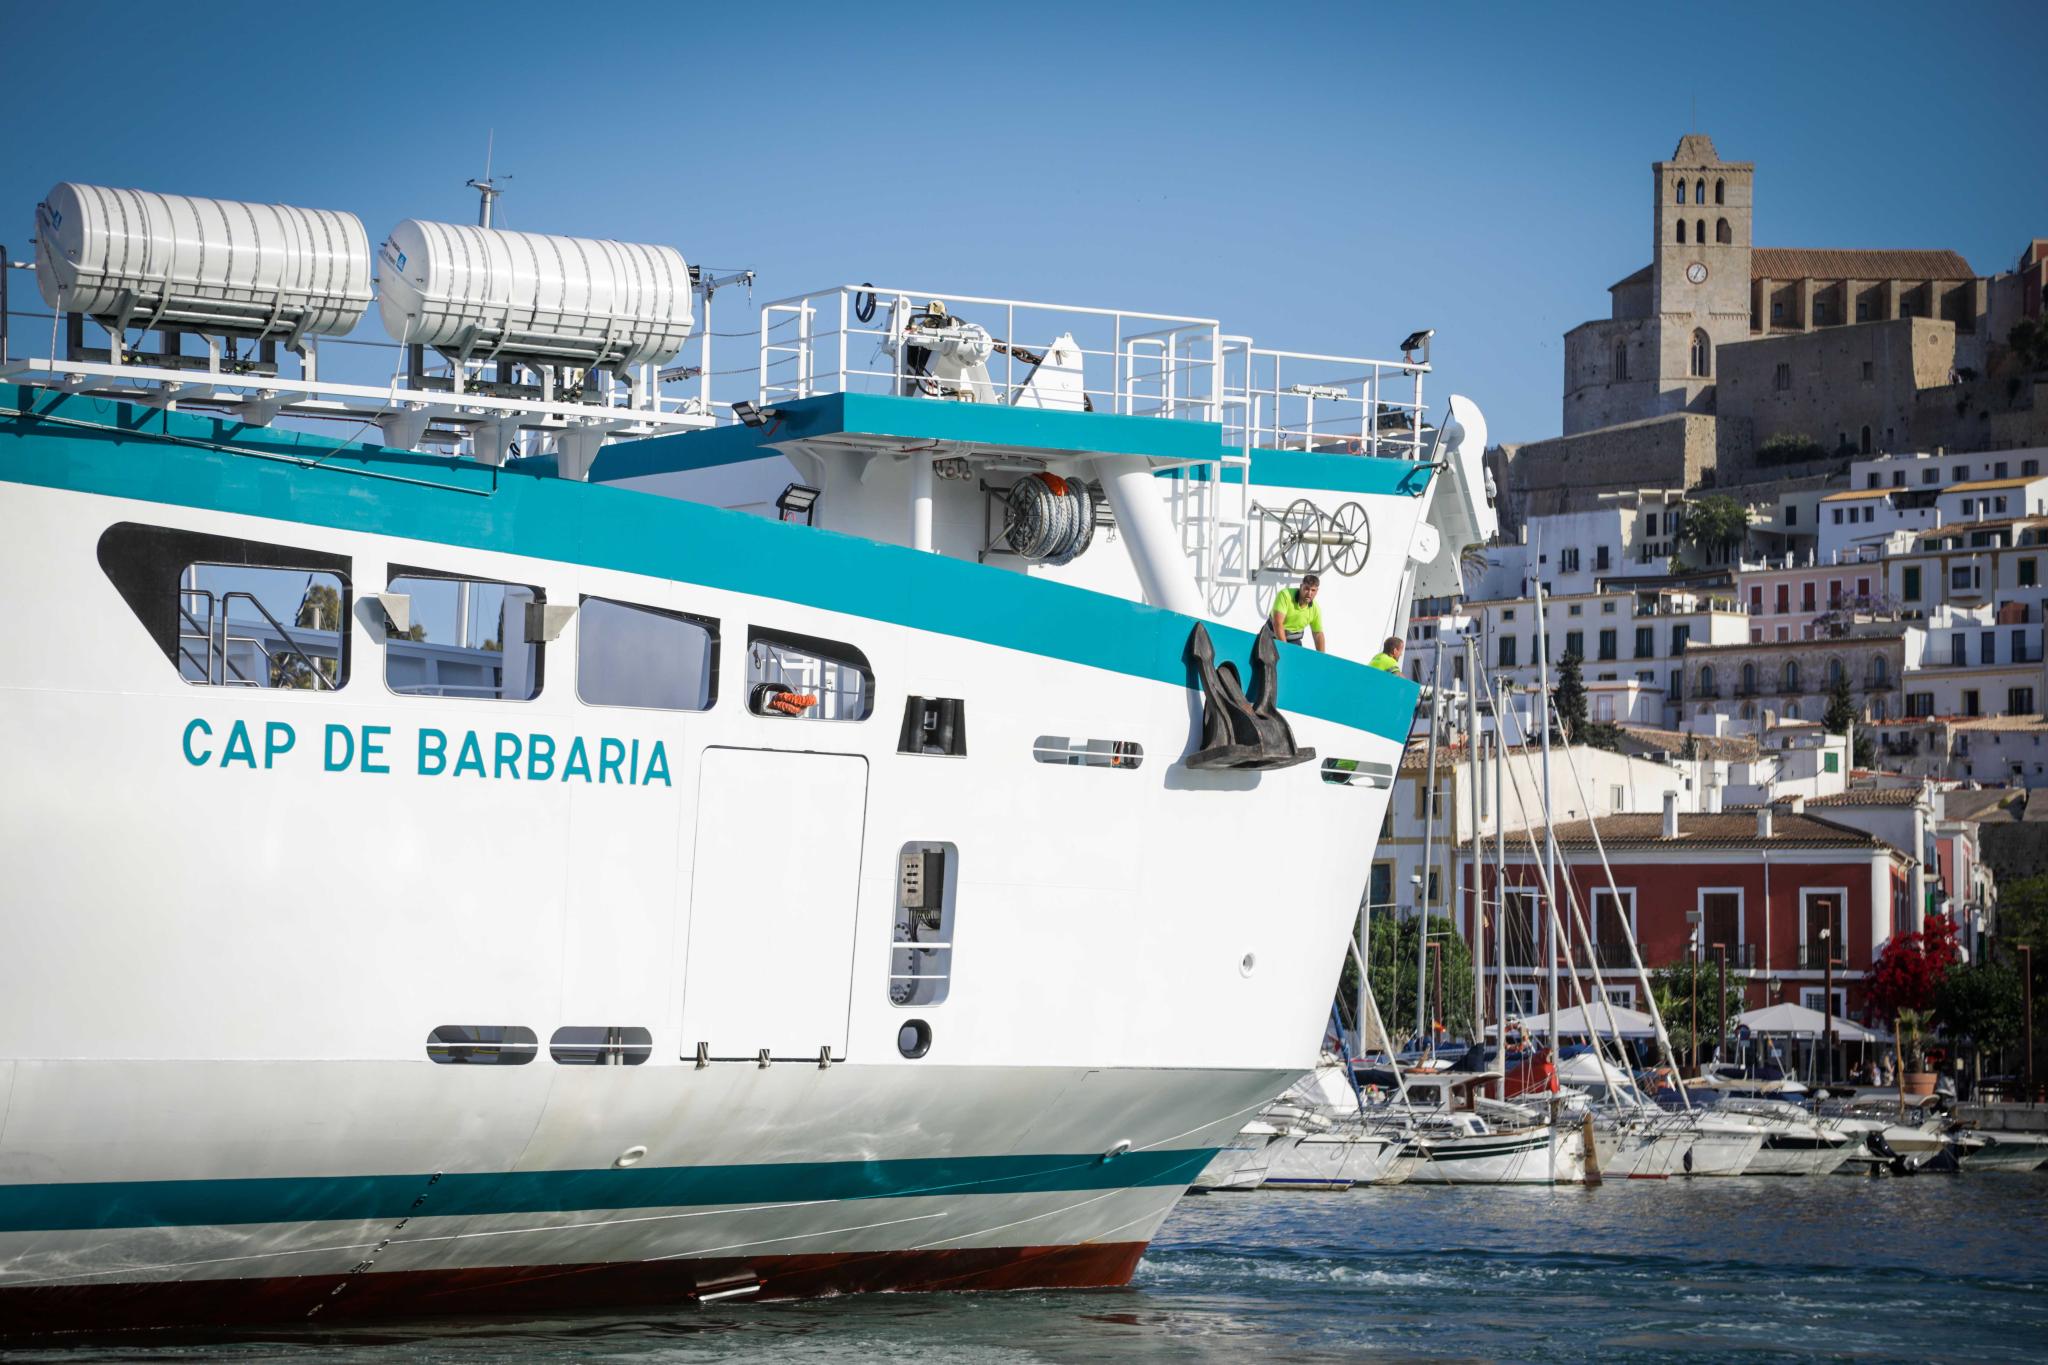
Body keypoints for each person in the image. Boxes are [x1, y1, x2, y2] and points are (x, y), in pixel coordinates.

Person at [1271, 574, 1326, 651]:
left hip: (1294, 640)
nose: (1309, 593)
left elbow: (1318, 634)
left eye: (1313, 590)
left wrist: (1322, 658)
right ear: (1301, 587)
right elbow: (1277, 623)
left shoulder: (1315, 609)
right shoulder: (1285, 595)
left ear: (1317, 591)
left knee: (1296, 661)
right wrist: (1284, 649)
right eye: (1306, 589)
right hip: (1271, 635)